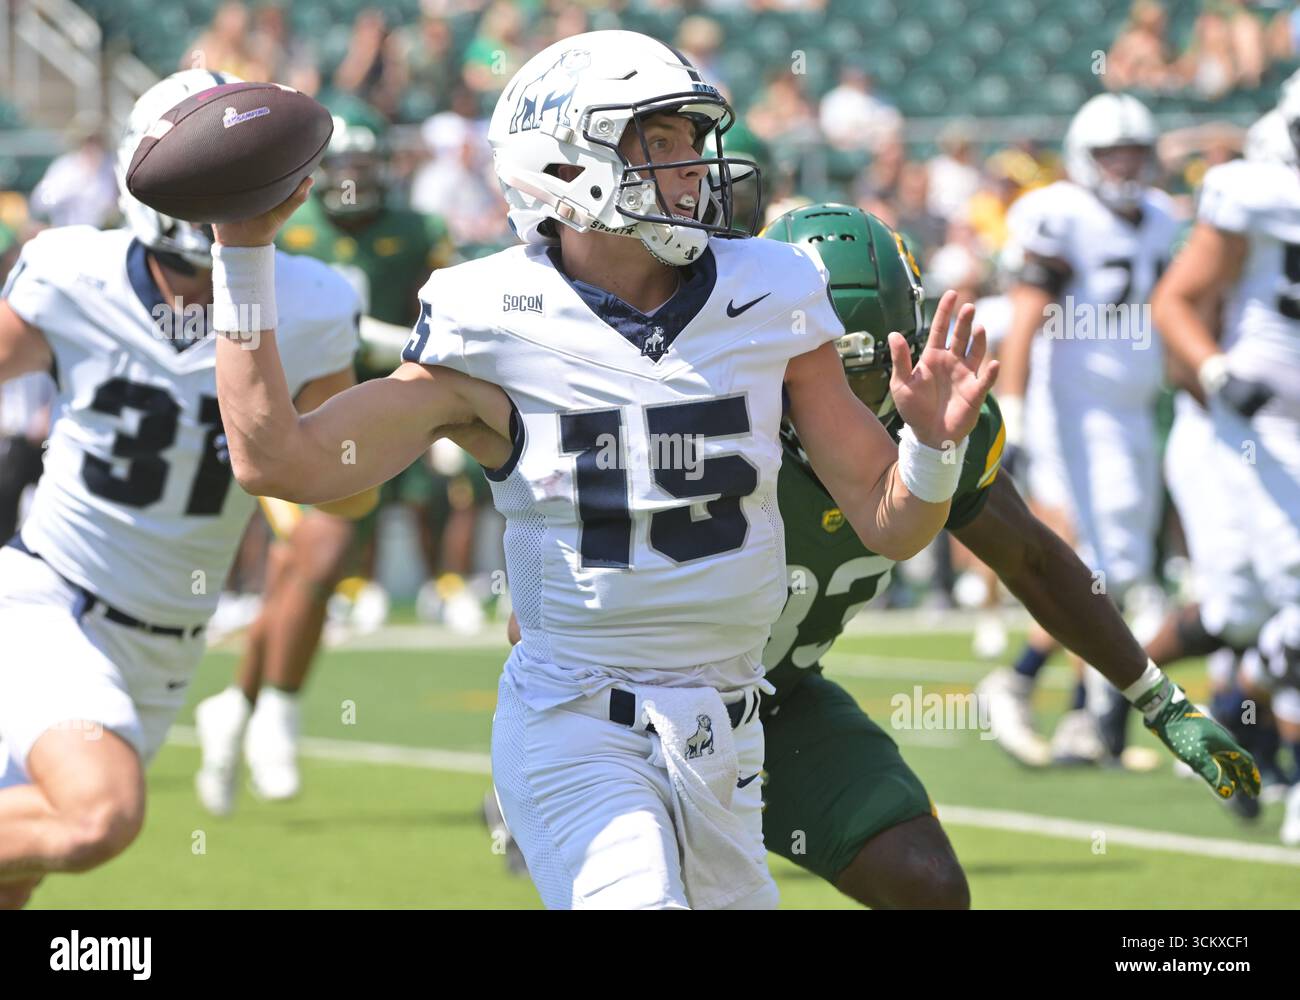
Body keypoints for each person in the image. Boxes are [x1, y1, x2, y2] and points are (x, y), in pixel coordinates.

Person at [209, 29, 998, 910]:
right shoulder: (492, 318)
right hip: (576, 723)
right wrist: (243, 255)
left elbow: (889, 520)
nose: (693, 166)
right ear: (564, 162)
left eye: (693, 141)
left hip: (728, 732)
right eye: (658, 142)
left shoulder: (772, 292)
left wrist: (930, 449)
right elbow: (280, 458)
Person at [494, 206, 1260, 907]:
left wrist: (1155, 696)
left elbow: (1028, 558)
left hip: (777, 702)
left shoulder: (932, 427)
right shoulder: (701, 419)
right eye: (826, 373)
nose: (856, 406)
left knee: (929, 887)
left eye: (875, 377)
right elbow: (551, 605)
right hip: (639, 712)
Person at [0, 70, 370, 908]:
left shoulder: (311, 303)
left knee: (19, 875)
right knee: (98, 817)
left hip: (167, 644)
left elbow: (341, 488)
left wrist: (373, 448)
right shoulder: (71, 270)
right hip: (49, 597)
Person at [194, 101, 454, 813]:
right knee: (321, 548)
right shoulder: (286, 227)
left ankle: (240, 704)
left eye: (366, 168)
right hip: (292, 418)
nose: (354, 183)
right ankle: (276, 707)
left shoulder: (416, 232)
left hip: (383, 418)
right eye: (343, 168)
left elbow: (449, 306)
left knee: (297, 571)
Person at [984, 93, 1180, 768]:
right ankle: (1020, 683)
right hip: (1073, 404)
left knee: (1122, 567)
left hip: (1132, 407)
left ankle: (1077, 715)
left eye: (1133, 151)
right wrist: (1014, 402)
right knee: (1095, 560)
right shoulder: (1059, 212)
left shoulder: (1161, 217)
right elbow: (1028, 310)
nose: (1124, 165)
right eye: (1110, 153)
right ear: (1083, 156)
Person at [1152, 80, 1300, 844]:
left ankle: (1242, 702)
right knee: (1267, 607)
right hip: (1252, 433)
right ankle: (1133, 691)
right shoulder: (1254, 197)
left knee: (1253, 616)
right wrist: (1217, 377)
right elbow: (1178, 307)